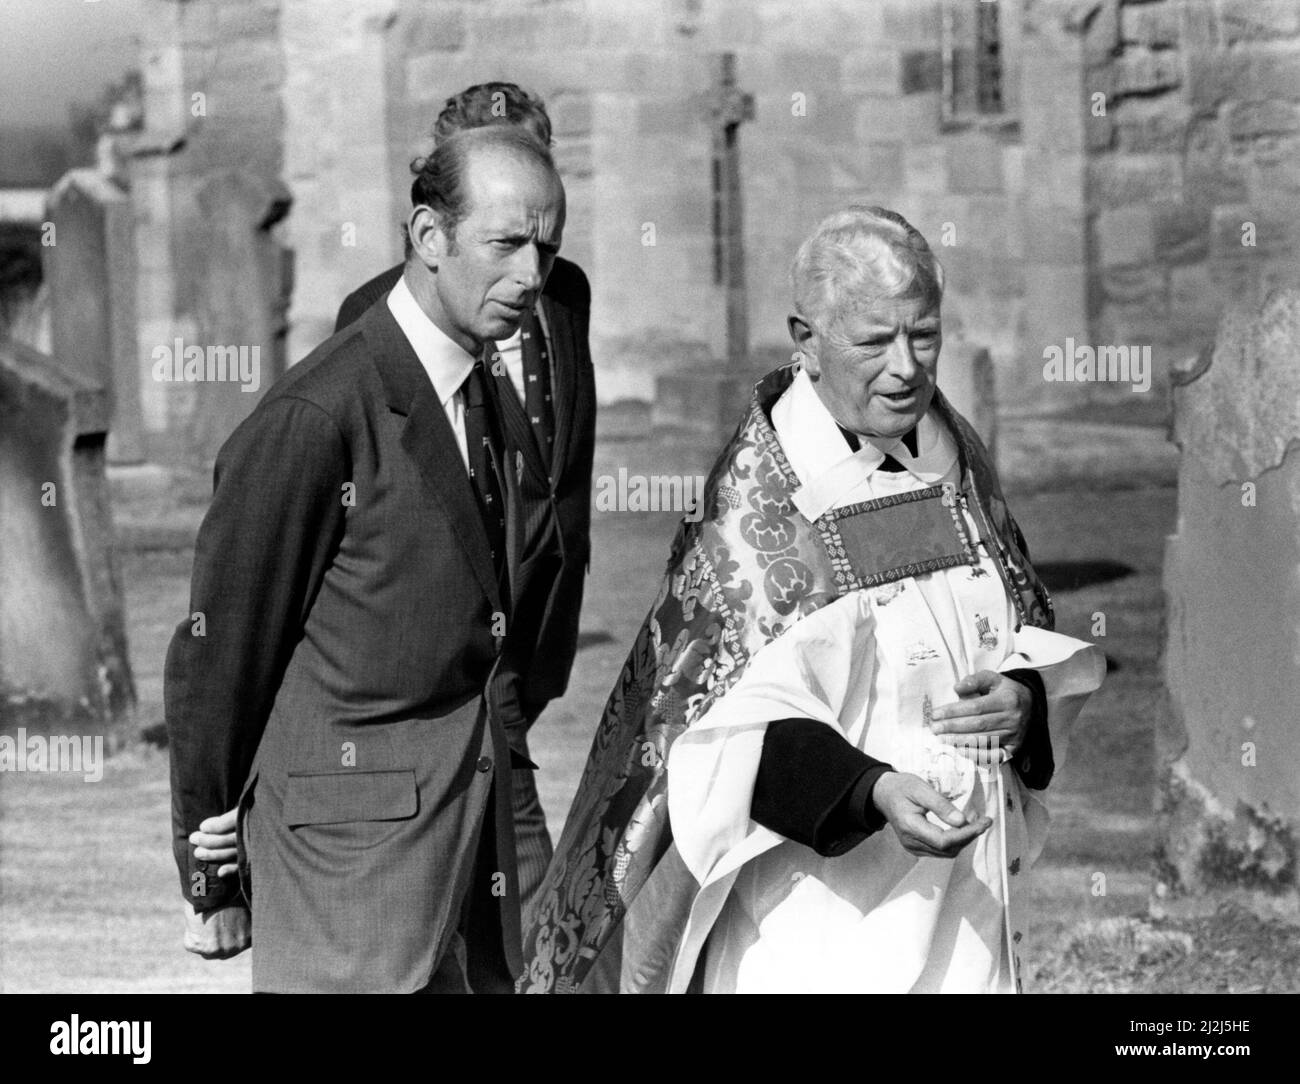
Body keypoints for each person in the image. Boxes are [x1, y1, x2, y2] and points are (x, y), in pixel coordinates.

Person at [521, 206, 1105, 994]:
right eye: (873, 343)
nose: (906, 368)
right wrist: (870, 791)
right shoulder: (760, 503)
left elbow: (1019, 620)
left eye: (923, 335)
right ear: (807, 342)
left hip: (969, 900)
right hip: (813, 916)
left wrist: (1024, 701)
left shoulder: (953, 454)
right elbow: (714, 733)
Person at [166, 124, 567, 992]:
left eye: (547, 247)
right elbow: (217, 655)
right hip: (349, 870)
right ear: (428, 237)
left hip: (485, 842)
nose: (533, 277)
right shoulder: (316, 417)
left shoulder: (484, 391)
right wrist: (212, 878)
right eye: (506, 244)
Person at [333, 83, 594, 921]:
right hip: (451, 626)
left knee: (480, 854)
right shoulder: (376, 313)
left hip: (540, 609)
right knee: (530, 876)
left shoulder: (565, 292)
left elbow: (564, 454)